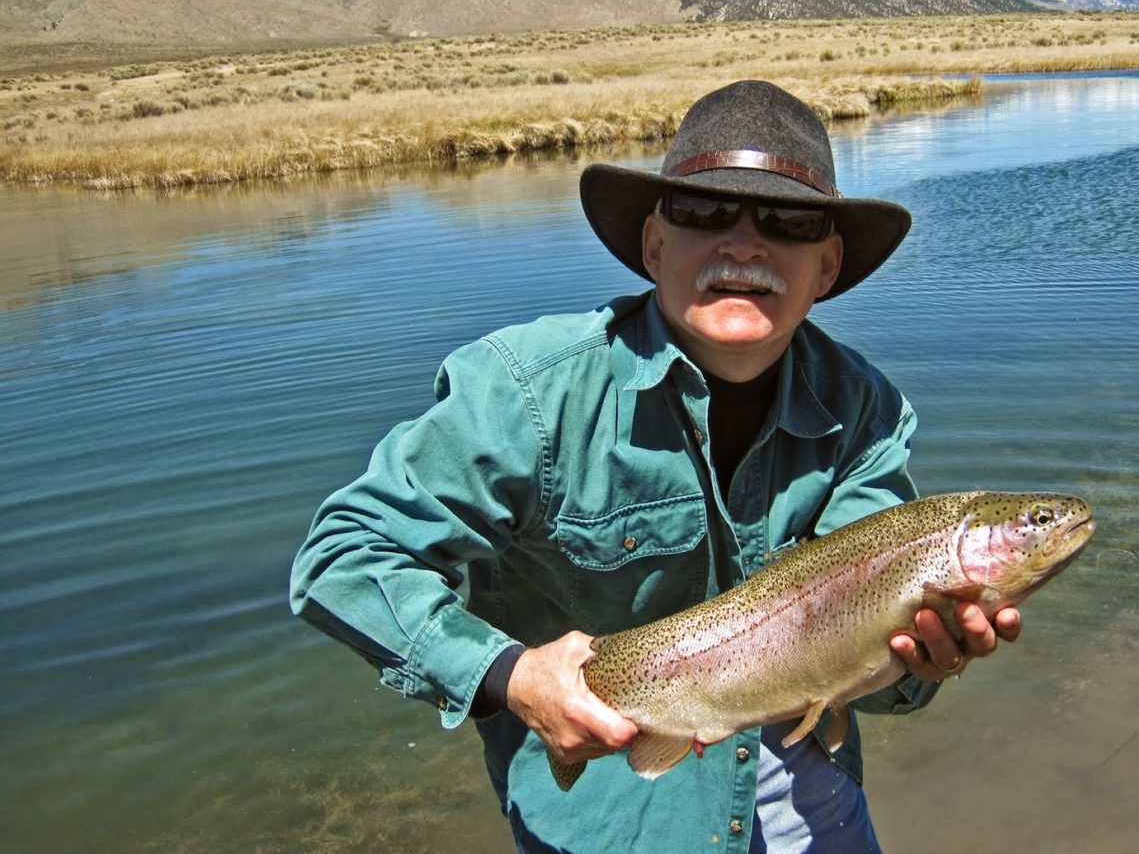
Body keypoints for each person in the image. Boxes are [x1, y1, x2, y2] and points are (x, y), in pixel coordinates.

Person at [290, 80, 1019, 853]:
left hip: (811, 807)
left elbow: (865, 672)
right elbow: (342, 555)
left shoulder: (863, 410)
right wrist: (513, 674)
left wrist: (917, 664)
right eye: (704, 212)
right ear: (654, 246)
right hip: (614, 824)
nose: (743, 244)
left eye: (788, 221)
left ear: (828, 265)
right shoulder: (529, 393)